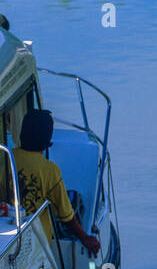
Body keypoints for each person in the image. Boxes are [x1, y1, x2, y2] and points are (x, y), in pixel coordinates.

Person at [9, 108, 100, 257]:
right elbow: (66, 215)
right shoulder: (50, 170)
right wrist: (85, 237)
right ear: (48, 141)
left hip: (10, 232)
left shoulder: (9, 157)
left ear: (22, 134)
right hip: (39, 242)